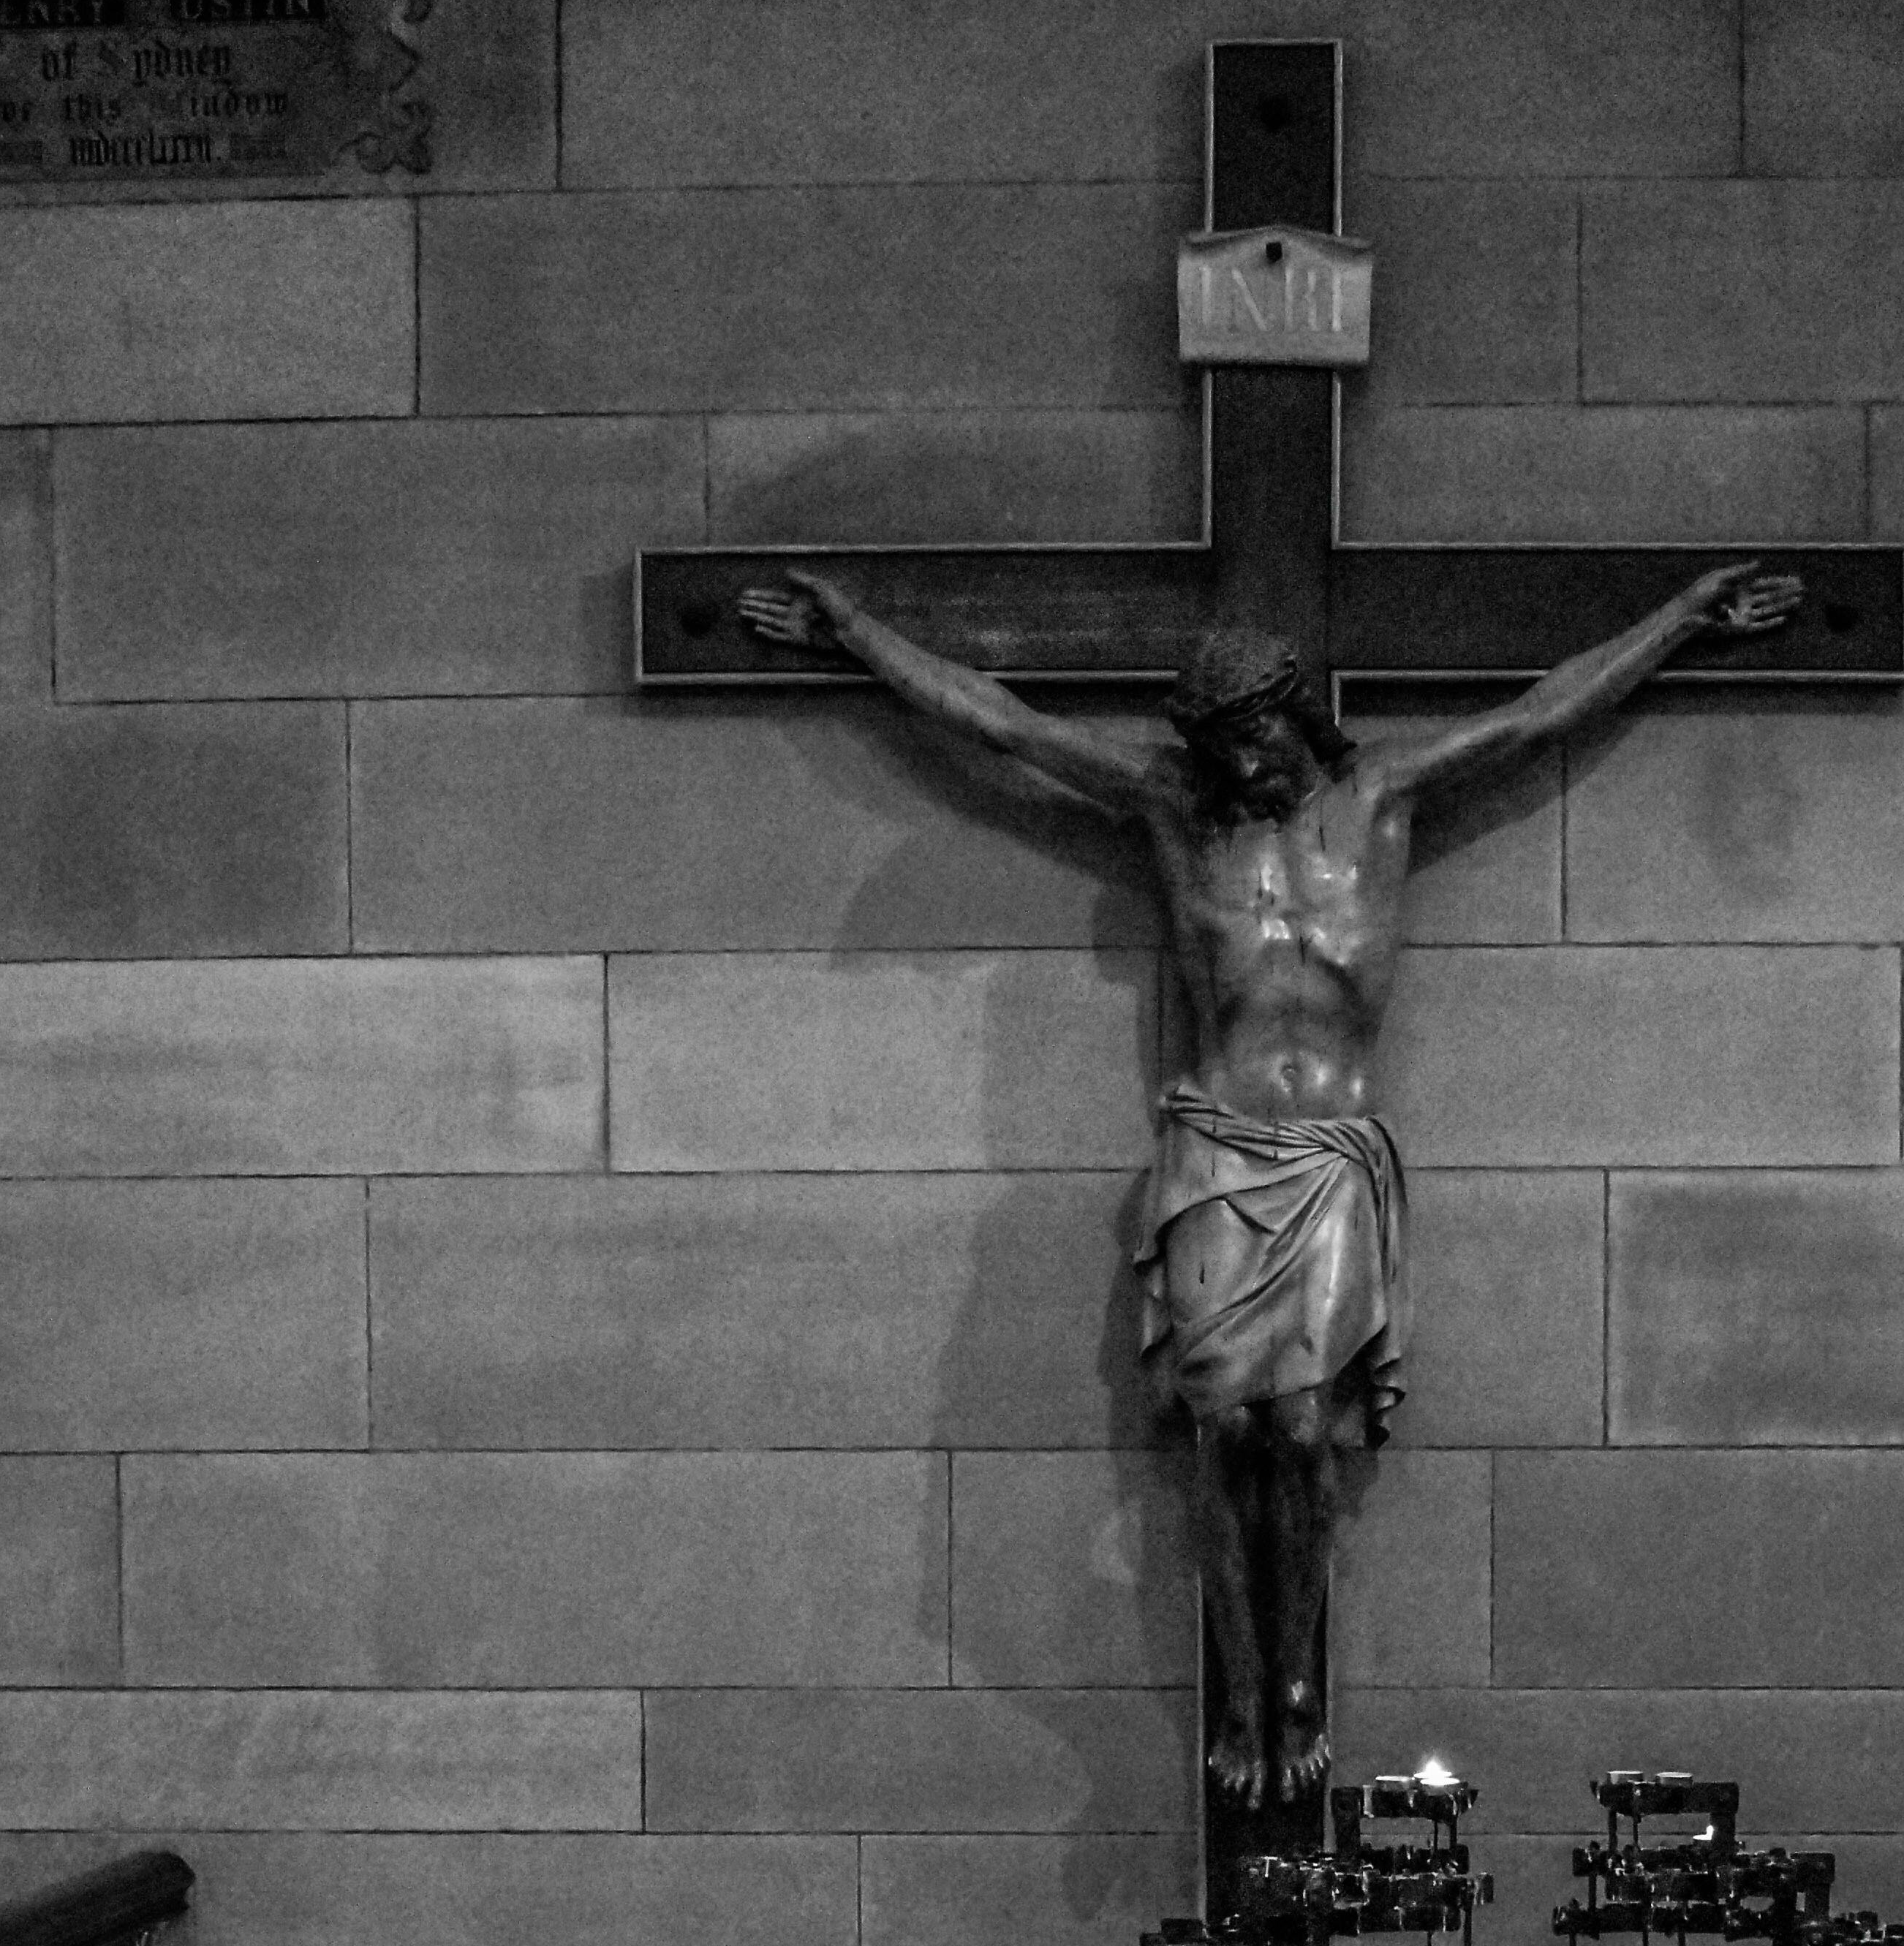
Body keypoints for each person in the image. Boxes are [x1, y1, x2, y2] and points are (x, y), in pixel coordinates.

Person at [736, 555, 1802, 1803]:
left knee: (1300, 1436)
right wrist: (858, 631)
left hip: (1333, 1161)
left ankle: (1296, 1680)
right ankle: (1238, 1693)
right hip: (1214, 1147)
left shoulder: (1385, 801)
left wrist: (1677, 621)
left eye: (1247, 744)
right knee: (1218, 1431)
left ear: (1291, 719)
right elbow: (1000, 722)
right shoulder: (1171, 814)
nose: (1234, 773)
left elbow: (1540, 712)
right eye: (1216, 750)